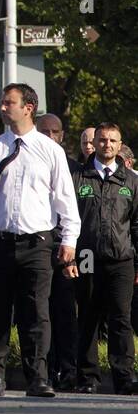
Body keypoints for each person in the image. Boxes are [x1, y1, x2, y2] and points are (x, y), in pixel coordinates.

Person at [0, 84, 80, 398]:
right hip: (0, 242)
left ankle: (38, 378)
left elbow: (65, 200)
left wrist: (69, 240)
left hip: (37, 244)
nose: (3, 108)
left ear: (28, 107)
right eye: (3, 102)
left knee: (36, 313)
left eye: (9, 103)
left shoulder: (50, 151)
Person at [70, 122, 137, 394]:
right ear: (94, 142)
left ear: (120, 145)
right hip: (85, 256)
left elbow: (136, 225)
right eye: (102, 140)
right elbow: (68, 220)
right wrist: (69, 258)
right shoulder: (78, 178)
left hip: (121, 259)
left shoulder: (131, 180)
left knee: (121, 318)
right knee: (88, 316)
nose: (106, 145)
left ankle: (124, 378)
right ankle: (88, 378)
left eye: (112, 141)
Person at [40, 114, 80, 391]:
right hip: (38, 248)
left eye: (56, 132)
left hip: (65, 252)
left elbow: (77, 214)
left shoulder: (76, 170)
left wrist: (73, 252)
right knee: (38, 313)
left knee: (65, 314)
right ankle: (43, 369)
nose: (51, 136)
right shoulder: (27, 162)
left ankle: (68, 370)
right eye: (45, 131)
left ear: (62, 136)